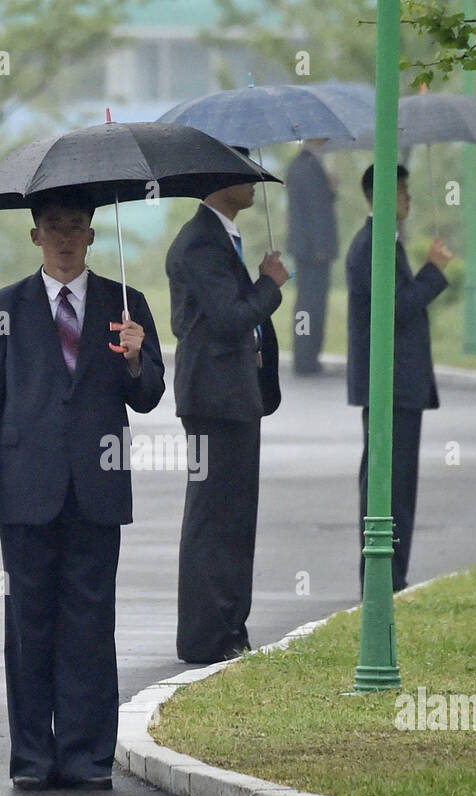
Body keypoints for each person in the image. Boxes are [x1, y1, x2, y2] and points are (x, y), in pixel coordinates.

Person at [0, 189, 165, 791]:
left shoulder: (127, 305)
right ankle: (33, 758)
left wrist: (134, 356)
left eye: (76, 226)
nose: (66, 237)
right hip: (26, 490)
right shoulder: (5, 307)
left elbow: (149, 395)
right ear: (35, 236)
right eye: (54, 227)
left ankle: (87, 756)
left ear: (93, 234)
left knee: (92, 627)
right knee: (29, 627)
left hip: (97, 489)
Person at [165, 160, 287, 663]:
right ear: (218, 178)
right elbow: (229, 319)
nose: (255, 180)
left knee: (236, 519)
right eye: (245, 172)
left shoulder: (222, 238)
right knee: (212, 519)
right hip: (213, 399)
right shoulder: (200, 243)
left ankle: (230, 628)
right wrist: (270, 284)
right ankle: (204, 636)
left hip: (236, 396)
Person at [345, 163, 453, 592]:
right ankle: (382, 575)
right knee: (387, 483)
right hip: (387, 384)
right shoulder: (372, 246)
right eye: (402, 191)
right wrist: (434, 271)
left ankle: (393, 573)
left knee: (399, 484)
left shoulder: (388, 243)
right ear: (383, 195)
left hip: (401, 385)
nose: (409, 198)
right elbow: (396, 308)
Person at [286, 138, 338, 375]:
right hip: (312, 250)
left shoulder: (306, 165)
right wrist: (320, 247)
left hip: (308, 248)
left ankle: (307, 356)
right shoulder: (307, 166)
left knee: (311, 303)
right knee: (310, 304)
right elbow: (314, 211)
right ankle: (306, 357)